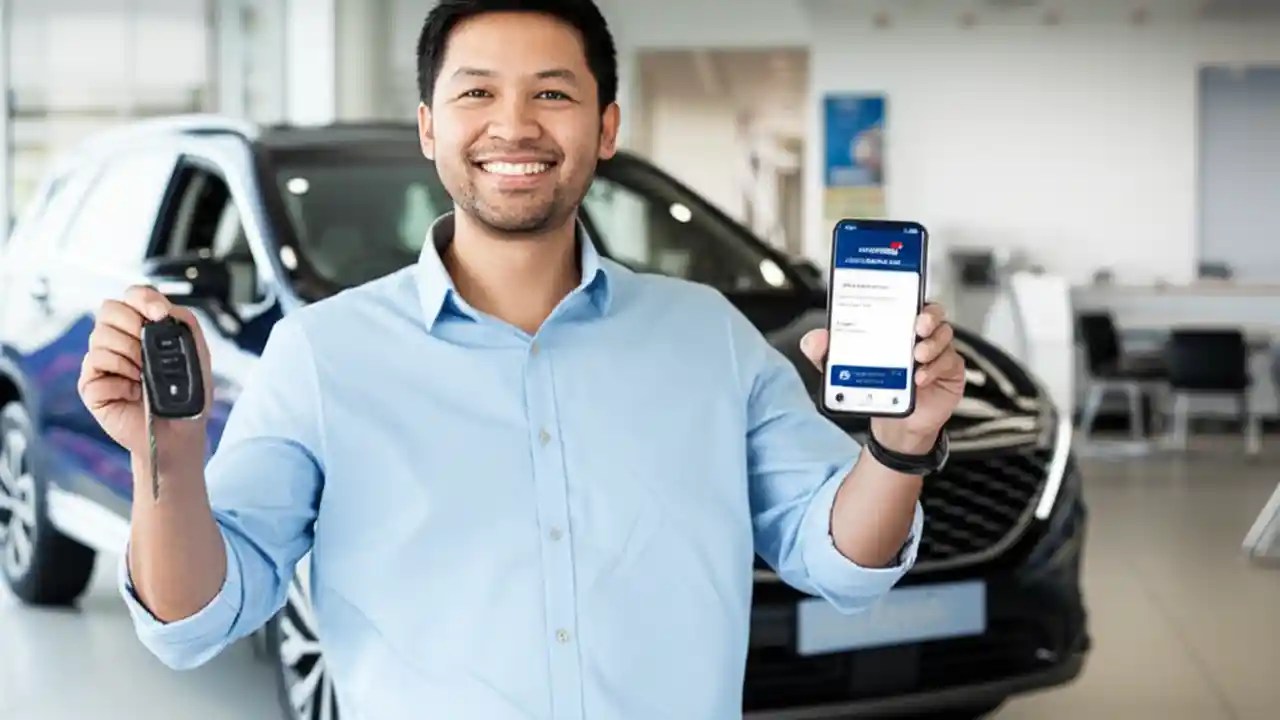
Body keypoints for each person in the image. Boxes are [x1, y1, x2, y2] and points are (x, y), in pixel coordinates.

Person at [77, 0, 965, 717]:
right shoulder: (321, 353)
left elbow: (840, 564)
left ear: (606, 125)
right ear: (428, 127)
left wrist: (900, 445)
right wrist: (169, 460)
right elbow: (193, 623)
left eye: (551, 94)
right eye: (475, 94)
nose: (514, 126)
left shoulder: (711, 337)